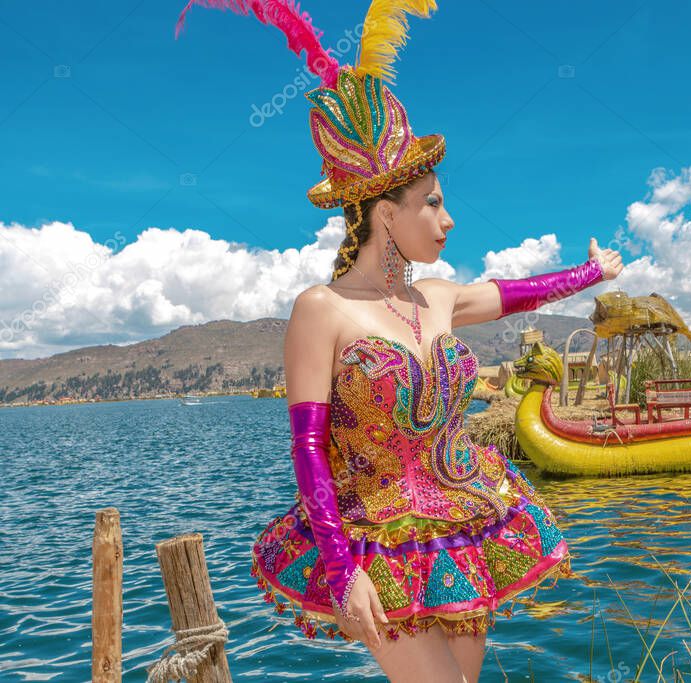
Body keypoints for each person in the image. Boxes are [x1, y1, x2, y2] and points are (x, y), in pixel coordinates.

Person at [177, 2, 622, 681]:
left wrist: (593, 272)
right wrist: (342, 569)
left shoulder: (437, 295)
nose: (448, 219)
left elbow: (519, 292)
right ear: (387, 214)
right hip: (371, 548)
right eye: (433, 203)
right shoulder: (321, 310)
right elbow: (306, 450)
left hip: (462, 528)